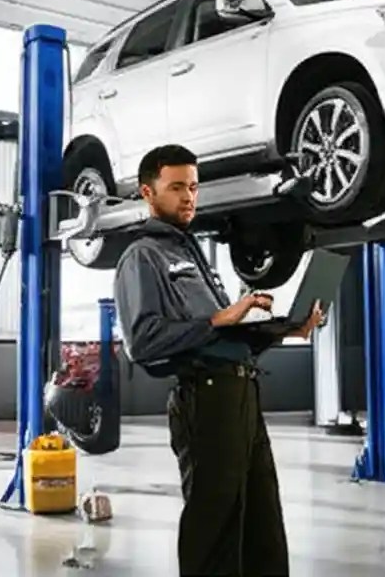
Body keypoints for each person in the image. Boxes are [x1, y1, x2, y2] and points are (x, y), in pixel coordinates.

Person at [113, 144, 323, 576]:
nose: (189, 197)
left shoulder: (192, 254)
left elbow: (224, 337)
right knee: (215, 529)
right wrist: (218, 318)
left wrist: (288, 330)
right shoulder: (142, 257)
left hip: (242, 394)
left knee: (263, 525)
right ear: (147, 193)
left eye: (193, 187)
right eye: (176, 188)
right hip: (206, 400)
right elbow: (143, 340)